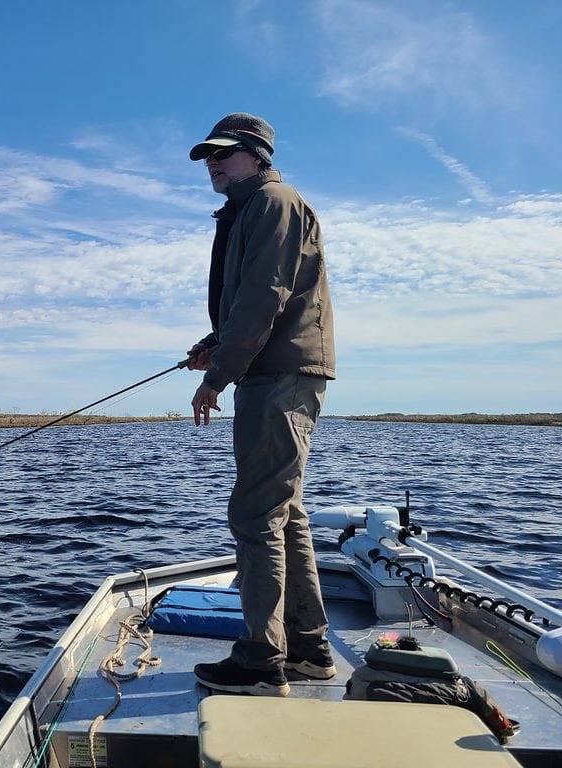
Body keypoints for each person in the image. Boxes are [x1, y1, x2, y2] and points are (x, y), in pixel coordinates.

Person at [185, 112, 336, 697]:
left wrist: (217, 376)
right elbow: (252, 300)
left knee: (254, 515)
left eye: (223, 153)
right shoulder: (253, 208)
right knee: (284, 512)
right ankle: (308, 649)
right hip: (275, 372)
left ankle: (260, 661)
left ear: (256, 154)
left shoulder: (273, 202)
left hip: (278, 378)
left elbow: (264, 295)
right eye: (206, 156)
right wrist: (214, 343)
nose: (212, 163)